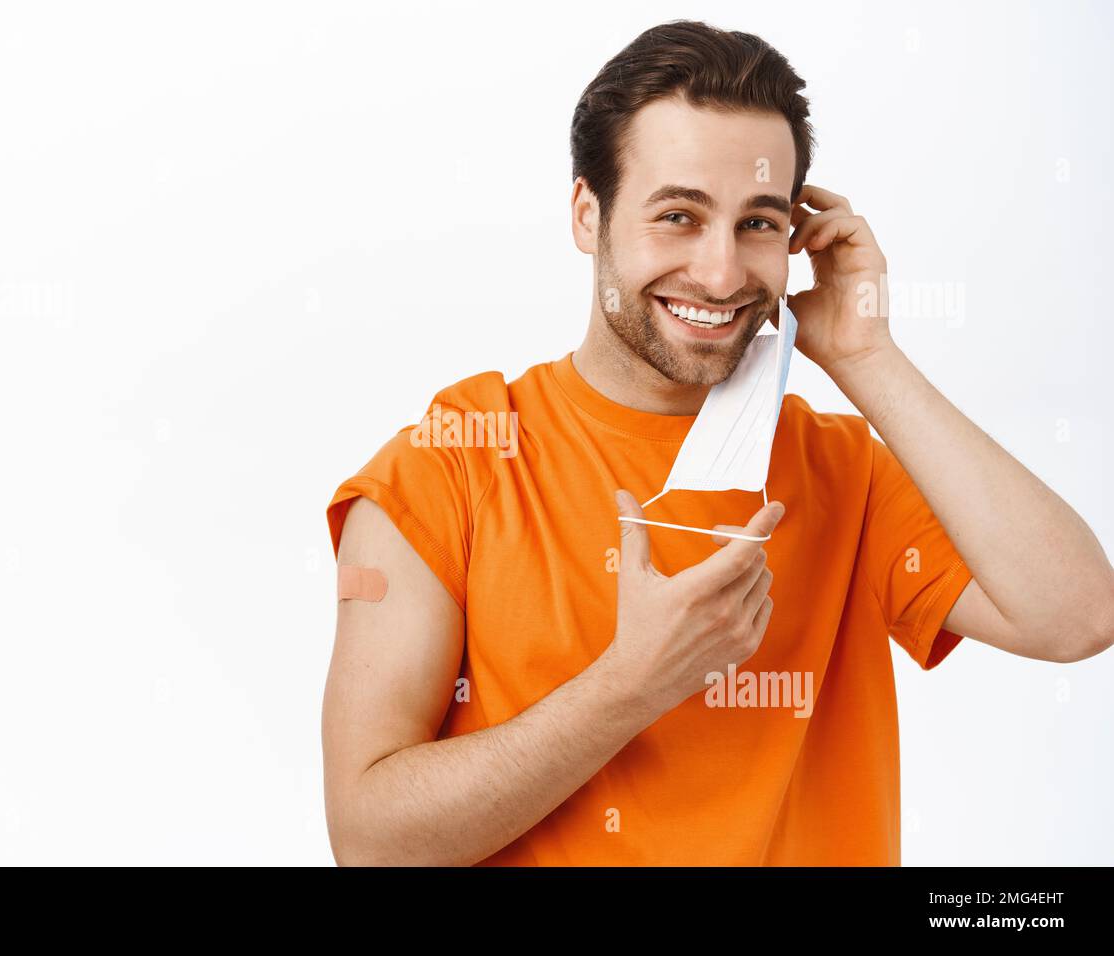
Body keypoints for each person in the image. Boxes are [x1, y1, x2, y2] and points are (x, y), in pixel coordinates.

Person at [319, 19, 1114, 866]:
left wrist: (866, 355)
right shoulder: (446, 467)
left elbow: (1076, 616)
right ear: (589, 214)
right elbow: (371, 842)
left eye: (759, 223)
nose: (723, 273)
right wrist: (634, 684)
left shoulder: (843, 469)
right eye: (678, 215)